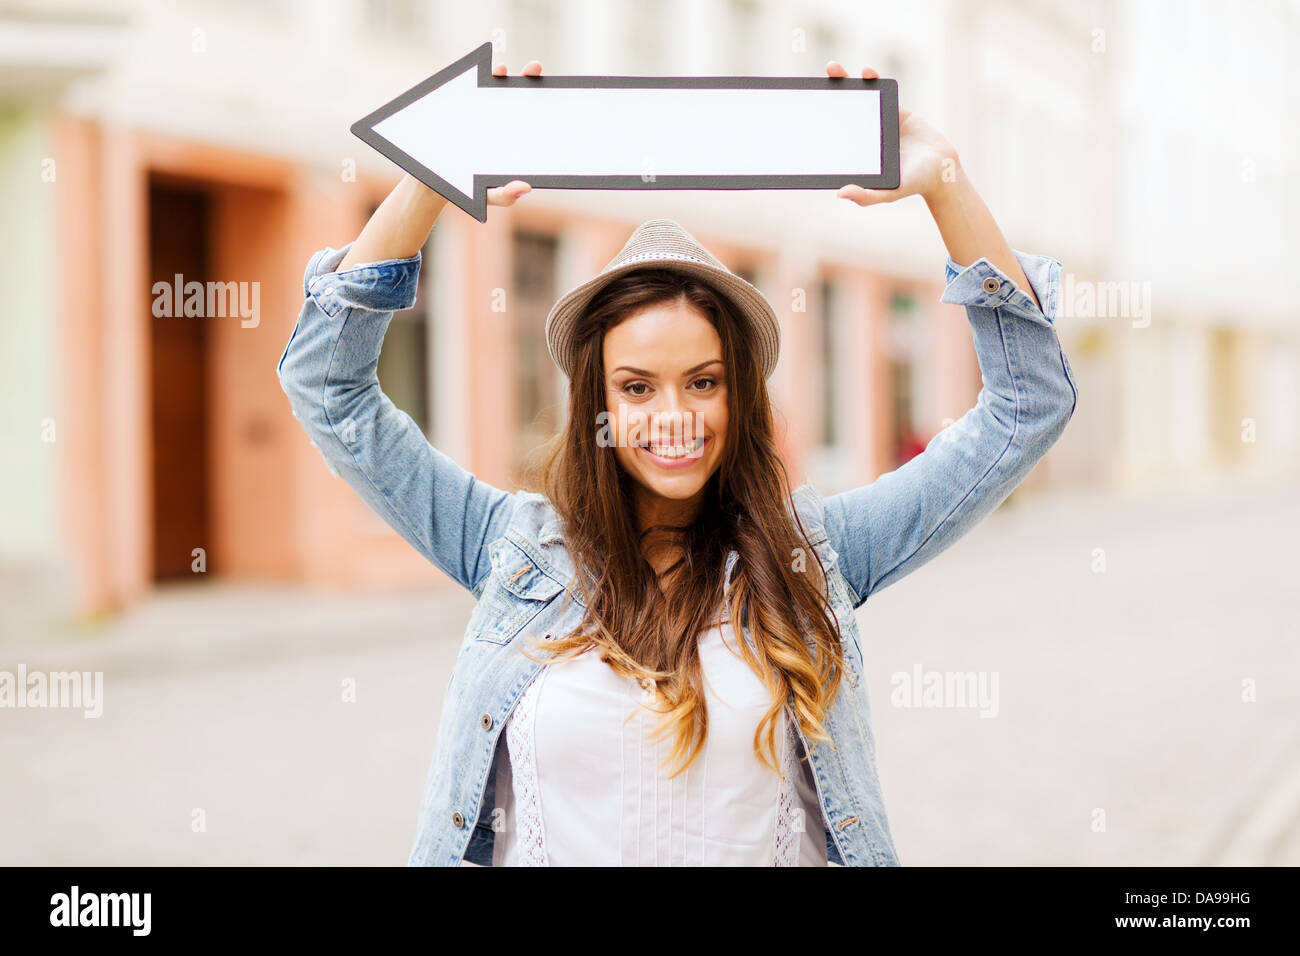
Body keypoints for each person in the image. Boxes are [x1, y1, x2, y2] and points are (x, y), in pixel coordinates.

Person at [277, 58, 1078, 866]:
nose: (672, 417)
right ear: (600, 400)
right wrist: (431, 177)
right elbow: (326, 386)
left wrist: (945, 184)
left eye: (703, 382)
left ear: (742, 397)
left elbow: (1026, 409)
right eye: (636, 386)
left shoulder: (819, 553)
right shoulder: (506, 549)